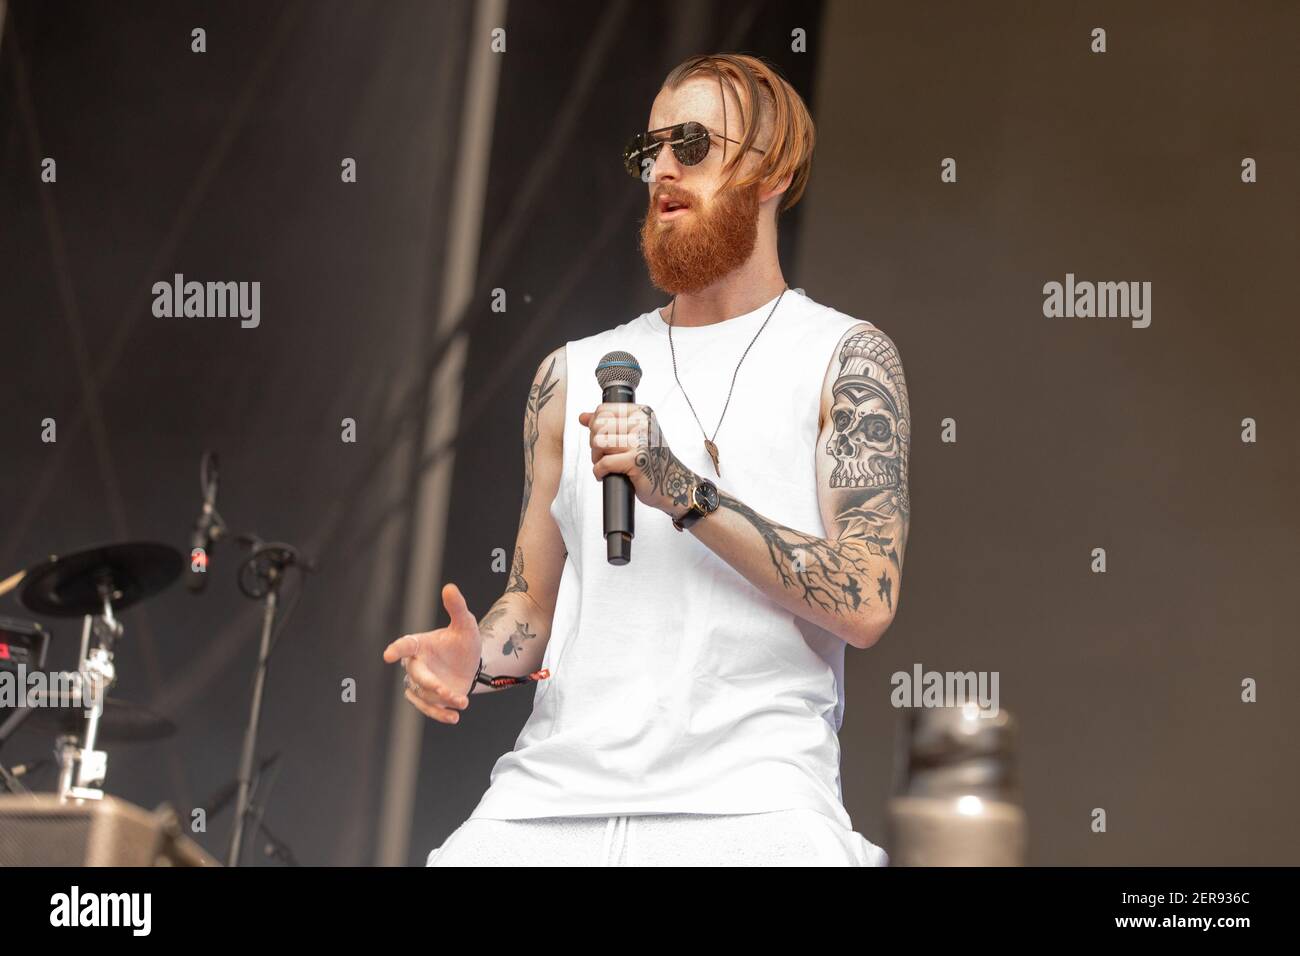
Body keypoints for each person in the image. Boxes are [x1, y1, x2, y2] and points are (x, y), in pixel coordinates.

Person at [383, 52, 910, 866]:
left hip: (752, 807)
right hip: (547, 802)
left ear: (772, 170)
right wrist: (476, 660)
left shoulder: (843, 358)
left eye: (691, 144)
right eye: (649, 151)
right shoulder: (571, 373)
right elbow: (532, 610)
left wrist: (681, 492)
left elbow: (865, 599)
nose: (660, 168)